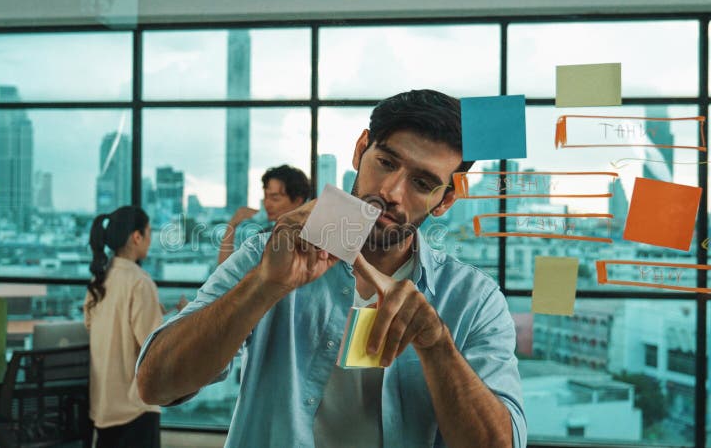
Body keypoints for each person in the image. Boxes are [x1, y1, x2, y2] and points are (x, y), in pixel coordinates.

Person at [136, 90, 526, 447]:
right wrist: (262, 287)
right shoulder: (268, 256)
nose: (390, 192)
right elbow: (155, 385)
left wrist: (437, 345)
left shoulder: (473, 299)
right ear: (360, 150)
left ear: (446, 200)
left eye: (422, 183)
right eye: (385, 162)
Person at [84, 206, 163, 448]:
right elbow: (153, 346)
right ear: (136, 237)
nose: (151, 239)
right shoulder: (140, 282)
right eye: (149, 232)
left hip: (103, 405)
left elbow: (101, 327)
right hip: (135, 408)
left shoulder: (99, 280)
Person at [217, 164, 310, 265]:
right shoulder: (264, 235)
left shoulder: (310, 238)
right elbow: (226, 272)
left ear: (297, 201)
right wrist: (232, 224)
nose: (267, 204)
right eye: (265, 197)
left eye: (275, 198)